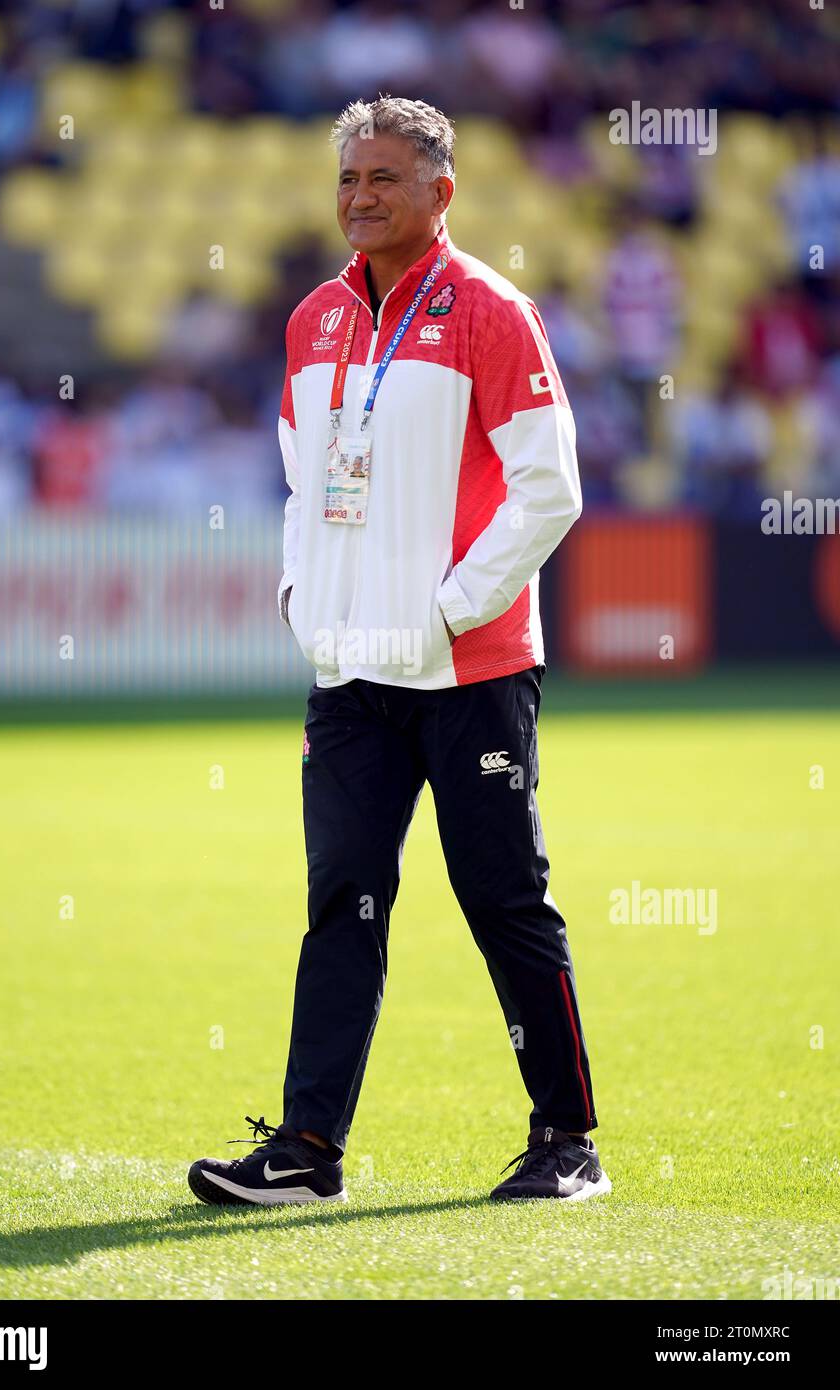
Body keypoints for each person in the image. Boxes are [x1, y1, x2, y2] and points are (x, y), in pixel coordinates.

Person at [189, 97, 610, 1207]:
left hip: (468, 672)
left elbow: (550, 489)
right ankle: (305, 1149)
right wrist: (299, 594)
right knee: (342, 902)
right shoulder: (312, 321)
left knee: (504, 901)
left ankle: (566, 1137)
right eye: (347, 178)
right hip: (350, 679)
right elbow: (296, 482)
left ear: (441, 192)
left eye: (383, 176)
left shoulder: (488, 310)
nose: (359, 195)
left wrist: (451, 608)